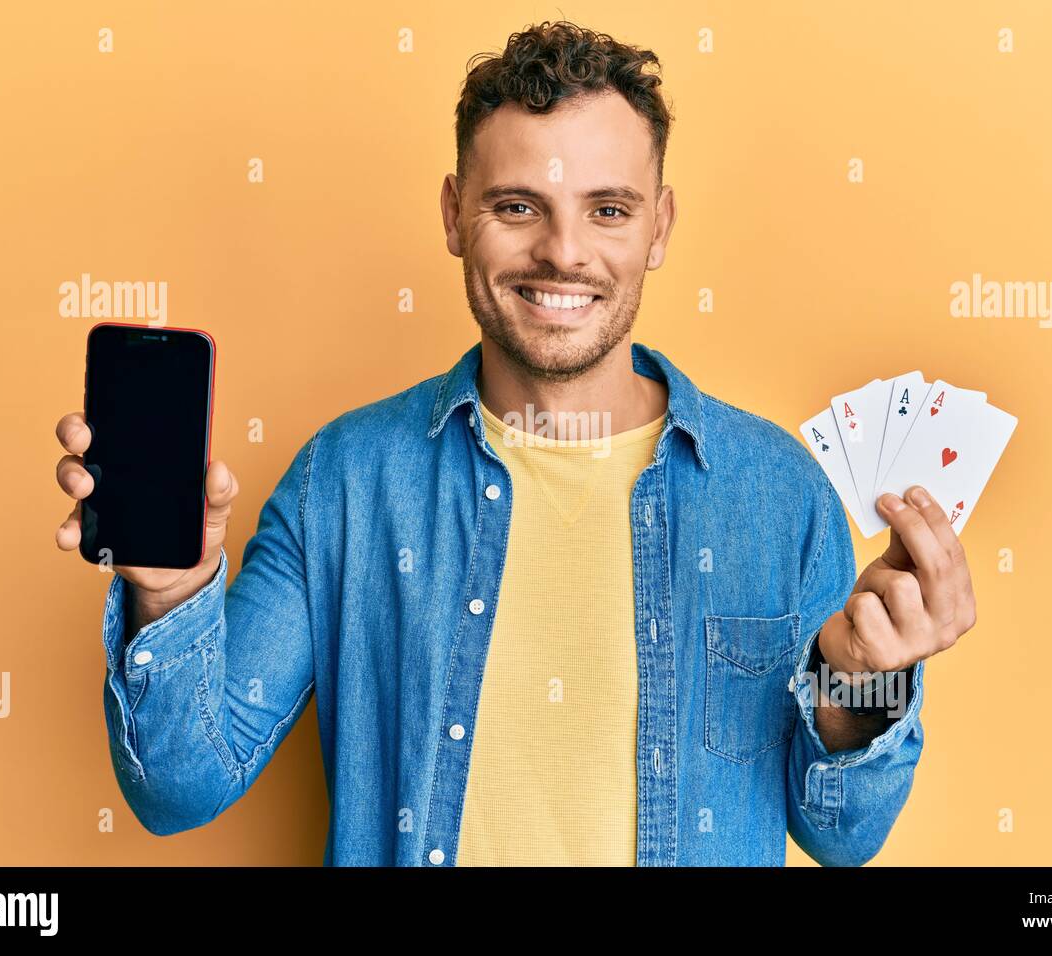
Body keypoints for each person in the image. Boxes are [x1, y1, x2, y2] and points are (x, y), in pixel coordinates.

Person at [53, 20, 976, 866]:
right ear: (454, 214)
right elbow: (179, 788)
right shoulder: (345, 480)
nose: (564, 254)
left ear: (659, 227)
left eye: (608, 210)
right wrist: (168, 595)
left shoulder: (778, 493)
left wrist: (863, 688)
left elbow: (841, 835)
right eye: (519, 206)